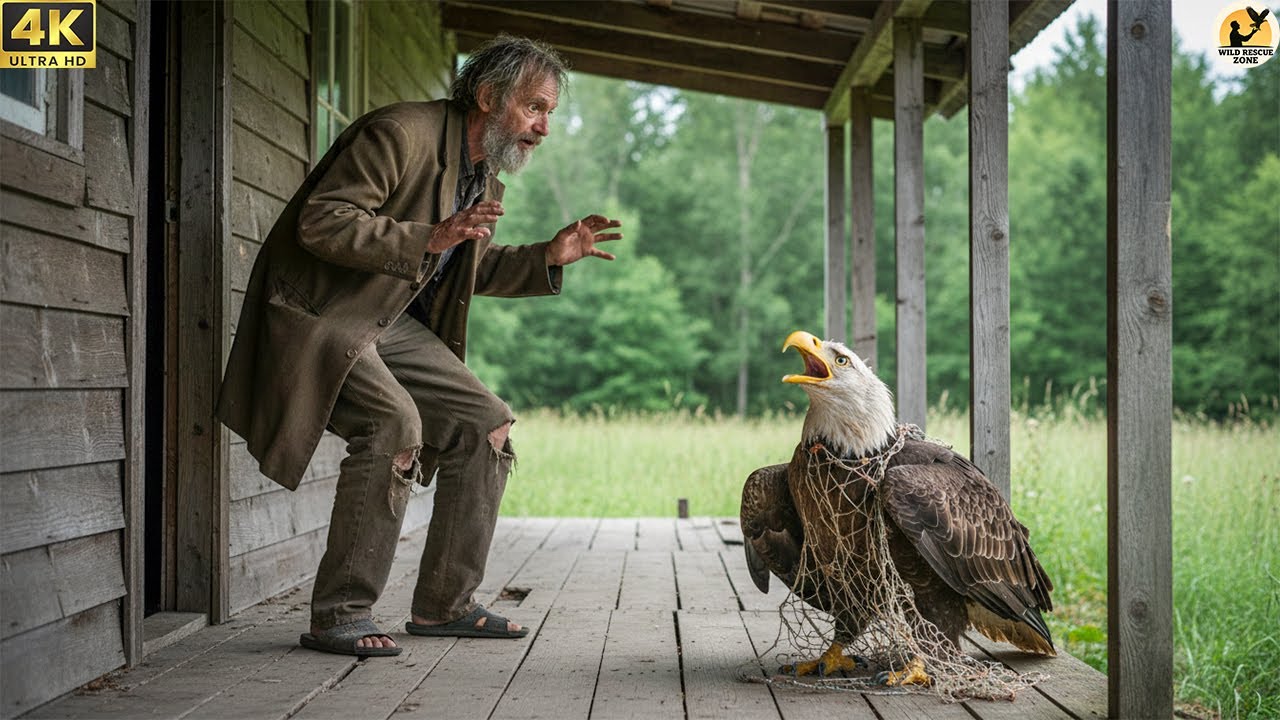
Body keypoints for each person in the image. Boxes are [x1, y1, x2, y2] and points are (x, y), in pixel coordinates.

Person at [216, 35, 621, 656]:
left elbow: (466, 268)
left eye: (549, 115)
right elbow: (322, 220)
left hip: (386, 318)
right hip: (321, 314)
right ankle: (340, 613)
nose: (543, 128)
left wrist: (548, 256)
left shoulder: (480, 171)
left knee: (485, 422)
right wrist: (429, 236)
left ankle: (444, 605)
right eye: (535, 108)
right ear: (488, 96)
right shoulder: (398, 134)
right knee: (394, 422)